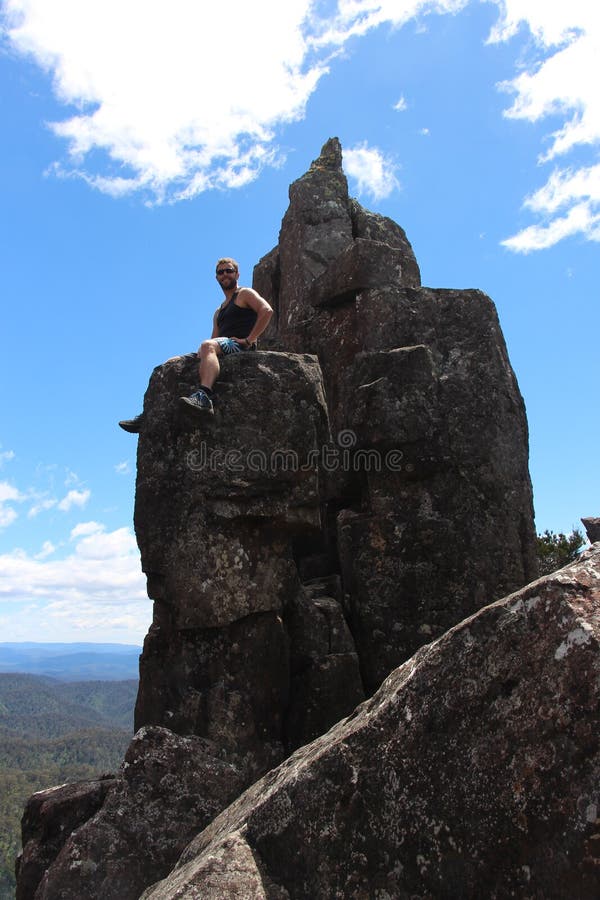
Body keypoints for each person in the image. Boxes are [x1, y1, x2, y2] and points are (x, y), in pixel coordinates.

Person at [119, 258, 273, 432]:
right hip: (222, 345)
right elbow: (214, 340)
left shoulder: (244, 294)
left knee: (207, 345)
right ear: (216, 277)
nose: (225, 275)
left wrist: (249, 340)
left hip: (241, 345)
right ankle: (148, 414)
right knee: (170, 363)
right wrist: (203, 353)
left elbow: (266, 310)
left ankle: (204, 396)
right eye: (220, 272)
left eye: (228, 271)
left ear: (237, 274)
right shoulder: (219, 311)